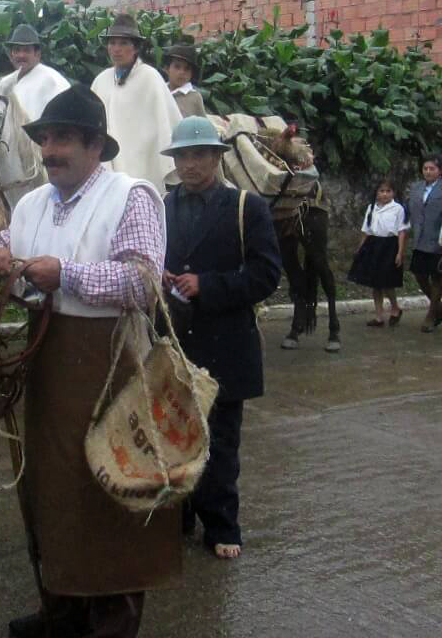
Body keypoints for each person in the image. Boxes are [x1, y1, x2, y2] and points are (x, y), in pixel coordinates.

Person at [0, 84, 176, 638]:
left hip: (110, 365)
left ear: (95, 147)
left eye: (62, 138)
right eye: (44, 138)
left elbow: (143, 282)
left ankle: (111, 623)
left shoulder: (130, 197)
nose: (50, 149)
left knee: (110, 490)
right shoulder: (33, 202)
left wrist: (66, 274)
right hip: (46, 363)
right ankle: (60, 610)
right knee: (47, 490)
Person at [160, 116, 281, 561]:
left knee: (220, 442)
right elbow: (149, 258)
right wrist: (161, 277)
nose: (190, 164)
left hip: (226, 345)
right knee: (173, 435)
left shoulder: (246, 208)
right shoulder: (162, 205)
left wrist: (207, 285)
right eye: (182, 156)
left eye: (199, 155)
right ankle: (178, 516)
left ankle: (222, 525)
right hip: (174, 345)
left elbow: (267, 275)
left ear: (216, 157)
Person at [91, 13, 184, 191]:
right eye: (112, 43)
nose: (116, 49)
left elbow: (168, 126)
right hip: (106, 173)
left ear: (135, 48)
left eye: (124, 43)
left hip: (144, 168)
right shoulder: (100, 81)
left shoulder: (150, 78)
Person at [347, 178, 409, 326]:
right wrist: (360, 248)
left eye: (388, 191)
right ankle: (379, 316)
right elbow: (367, 230)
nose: (385, 194)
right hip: (373, 245)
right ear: (376, 193)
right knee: (375, 283)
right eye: (382, 191)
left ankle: (395, 308)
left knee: (387, 282)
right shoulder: (372, 208)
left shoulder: (398, 209)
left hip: (389, 246)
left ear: (394, 193)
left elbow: (401, 232)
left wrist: (400, 252)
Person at [406, 155, 442, 332]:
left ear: (439, 171)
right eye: (425, 168)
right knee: (419, 273)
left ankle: (431, 314)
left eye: (432, 168)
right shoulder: (416, 188)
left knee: (437, 277)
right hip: (420, 239)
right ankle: (438, 305)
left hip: (438, 239)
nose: (428, 172)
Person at [1, 23, 71, 119]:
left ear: (37, 54)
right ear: (11, 55)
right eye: (17, 50)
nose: (21, 55)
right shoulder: (5, 82)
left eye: (26, 50)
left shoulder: (52, 80)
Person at [163, 45, 207, 117]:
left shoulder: (195, 97)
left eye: (187, 69)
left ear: (191, 73)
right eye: (177, 66)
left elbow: (201, 125)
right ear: (167, 69)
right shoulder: (160, 91)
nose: (182, 72)